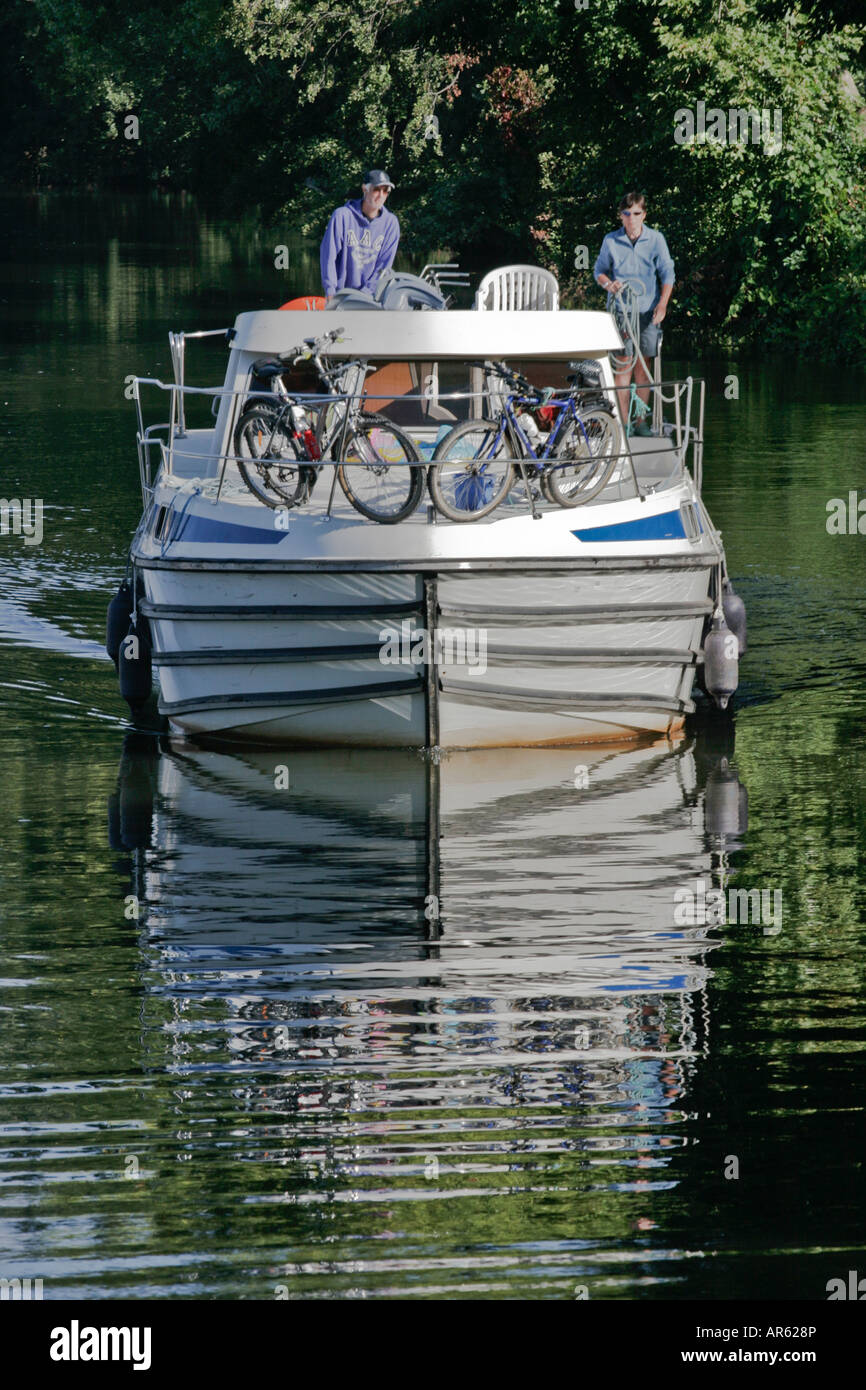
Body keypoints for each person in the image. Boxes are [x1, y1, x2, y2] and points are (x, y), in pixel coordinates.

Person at [593, 191, 674, 436]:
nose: (632, 218)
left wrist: (662, 304)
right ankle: (623, 422)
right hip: (621, 312)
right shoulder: (611, 240)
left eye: (636, 213)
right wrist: (610, 284)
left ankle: (641, 422)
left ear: (644, 214)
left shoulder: (656, 239)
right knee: (623, 367)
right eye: (627, 214)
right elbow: (599, 271)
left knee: (643, 365)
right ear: (621, 216)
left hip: (648, 311)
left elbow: (668, 274)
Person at [320, 169, 400, 300]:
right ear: (365, 189)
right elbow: (328, 256)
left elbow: (384, 267)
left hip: (370, 298)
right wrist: (330, 290)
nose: (381, 195)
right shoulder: (342, 216)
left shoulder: (391, 224)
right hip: (339, 296)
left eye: (385, 191)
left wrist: (364, 296)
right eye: (376, 189)